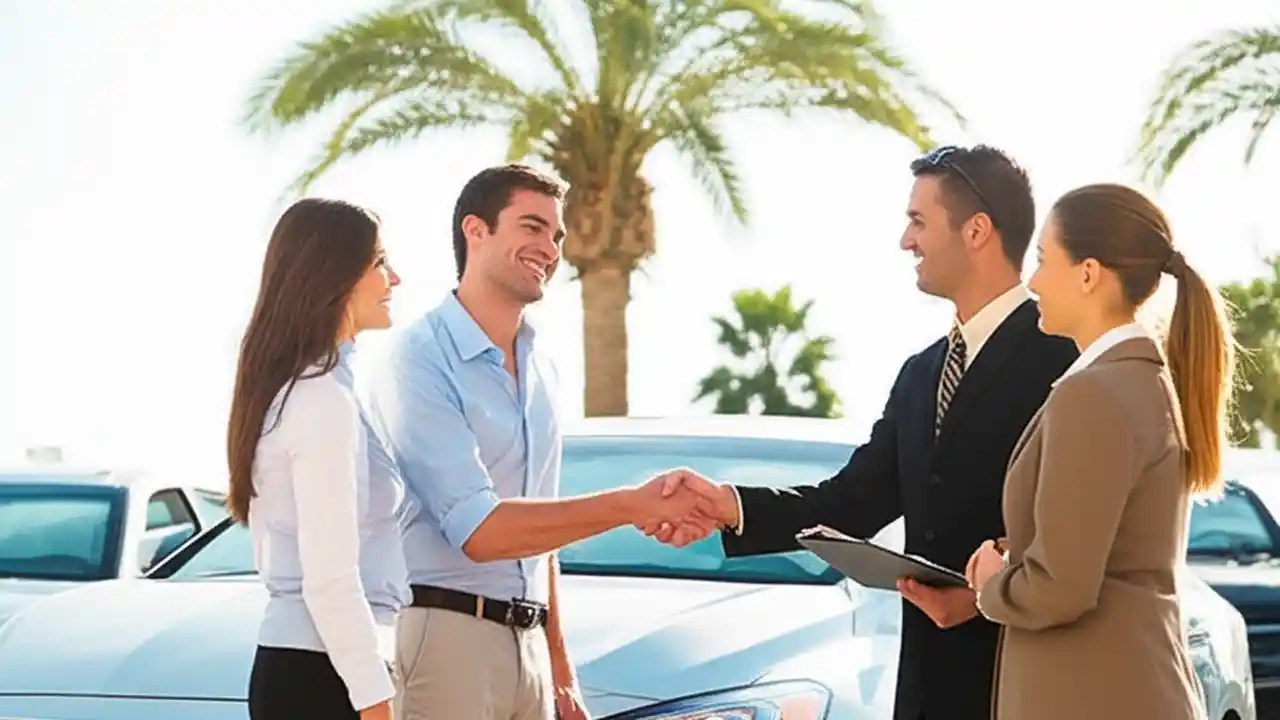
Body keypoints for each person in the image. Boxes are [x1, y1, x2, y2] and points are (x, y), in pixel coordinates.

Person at [655, 145, 1079, 720]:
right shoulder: (920, 373)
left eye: (918, 221)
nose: (907, 241)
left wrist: (985, 599)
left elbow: (1079, 529)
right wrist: (729, 506)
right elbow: (853, 501)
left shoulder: (1065, 358)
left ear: (976, 231)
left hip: (1031, 684)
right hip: (928, 689)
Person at [364, 163, 712, 720]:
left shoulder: (541, 364)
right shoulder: (418, 358)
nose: (549, 248)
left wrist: (560, 670)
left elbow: (541, 537)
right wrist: (630, 504)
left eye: (556, 235)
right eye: (531, 227)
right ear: (474, 231)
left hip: (528, 645)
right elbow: (478, 531)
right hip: (446, 641)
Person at [965, 183, 1231, 720]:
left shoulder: (1094, 394)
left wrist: (995, 583)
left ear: (1088, 273)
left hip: (1095, 696)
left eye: (1043, 260)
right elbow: (1111, 555)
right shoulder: (1135, 383)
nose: (1033, 281)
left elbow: (1061, 589)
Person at [226, 198, 410, 720]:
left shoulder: (317, 389)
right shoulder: (320, 400)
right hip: (324, 675)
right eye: (379, 263)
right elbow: (329, 577)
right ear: (335, 276)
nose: (394, 278)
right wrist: (375, 701)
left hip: (316, 667)